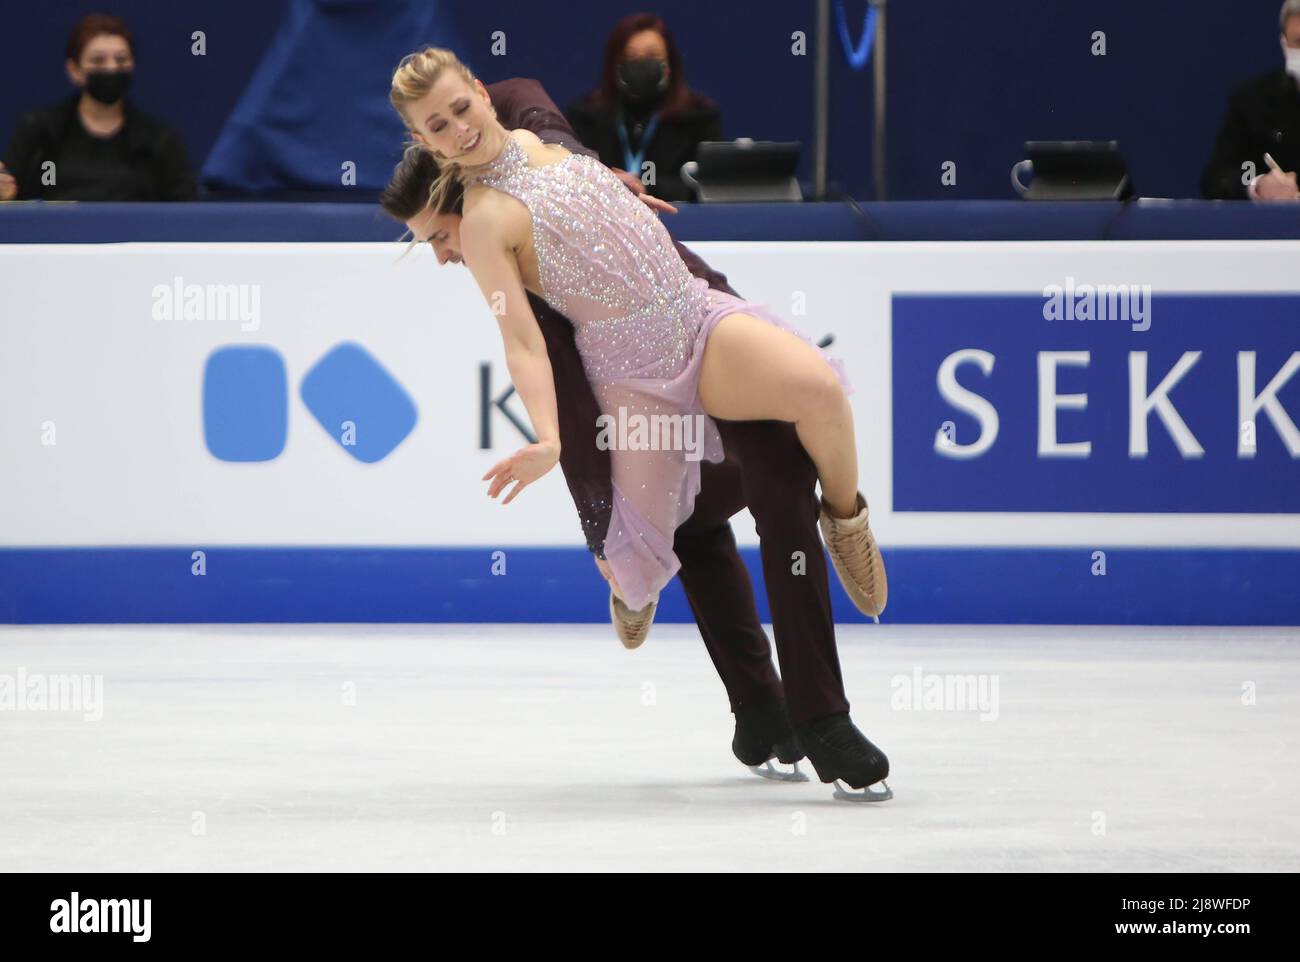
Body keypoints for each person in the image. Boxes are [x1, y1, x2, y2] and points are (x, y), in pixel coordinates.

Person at [388, 51, 891, 798]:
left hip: (696, 316)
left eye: (460, 108)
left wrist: (617, 190)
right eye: (437, 127)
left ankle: (845, 520)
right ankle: (633, 586)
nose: (457, 129)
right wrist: (552, 439)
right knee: (640, 558)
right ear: (425, 142)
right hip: (633, 376)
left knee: (819, 389)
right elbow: (521, 338)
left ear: (482, 94)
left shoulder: (543, 131)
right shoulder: (487, 222)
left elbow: (537, 101)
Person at [0, 13, 196, 202]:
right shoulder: (41, 133)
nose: (111, 68)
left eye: (121, 59)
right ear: (74, 69)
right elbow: (10, 194)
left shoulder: (159, 141)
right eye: (98, 60)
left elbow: (186, 212)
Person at [565, 13, 721, 203]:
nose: (641, 64)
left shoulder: (699, 116)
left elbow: (709, 186)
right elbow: (572, 180)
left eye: (652, 56)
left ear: (669, 65)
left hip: (681, 223)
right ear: (616, 66)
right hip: (606, 220)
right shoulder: (585, 116)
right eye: (631, 56)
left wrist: (648, 187)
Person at [1201, 0, 1300, 201]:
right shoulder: (1253, 100)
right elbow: (1217, 177)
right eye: (1299, 41)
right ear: (1284, 44)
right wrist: (1258, 186)